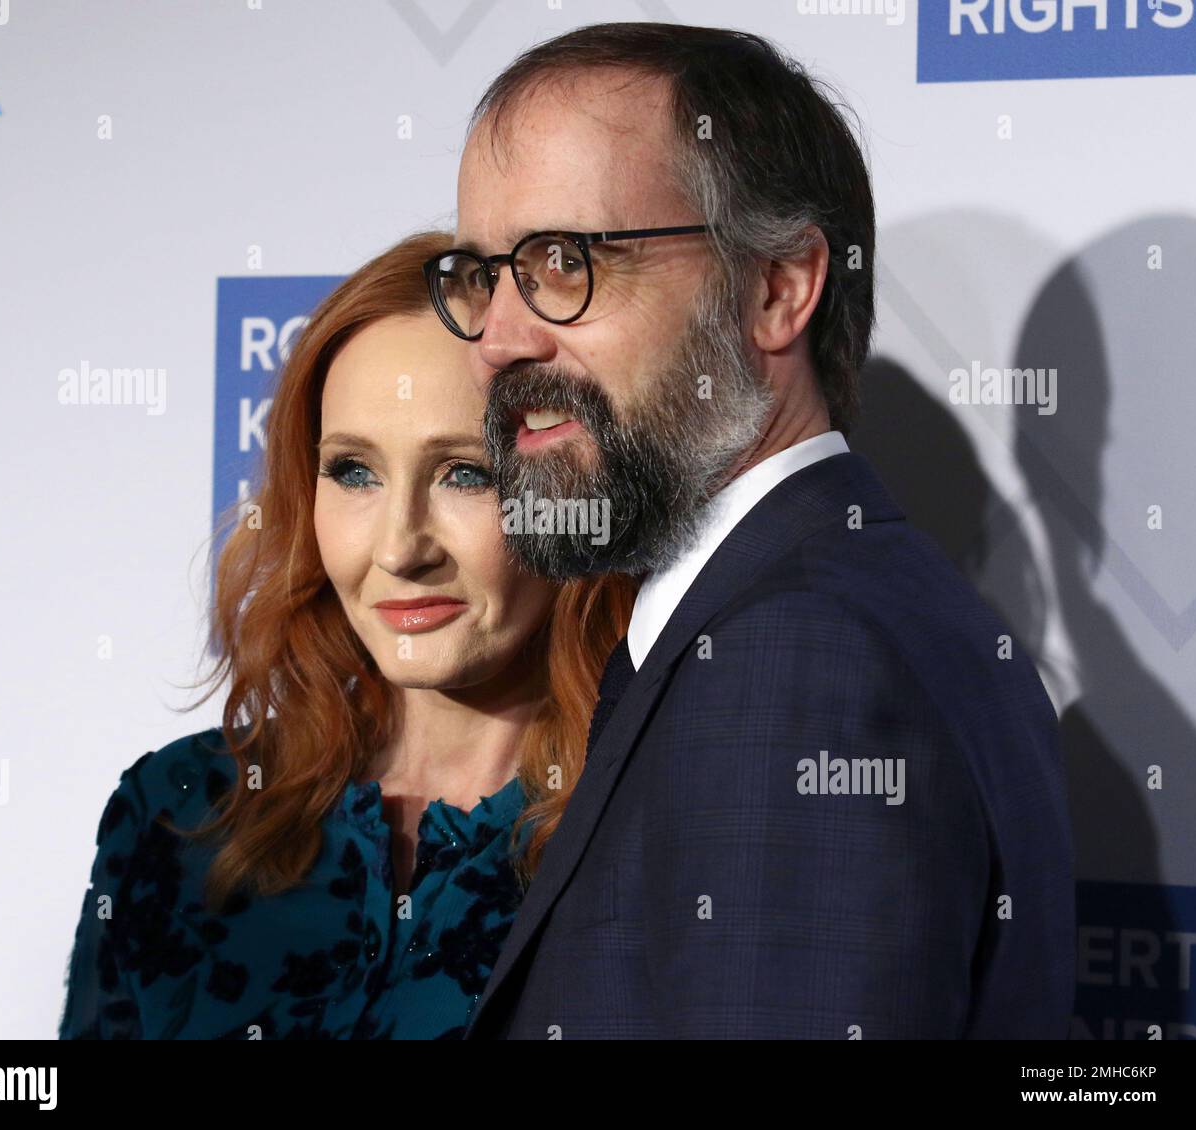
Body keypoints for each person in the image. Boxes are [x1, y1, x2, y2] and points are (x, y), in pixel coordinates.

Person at [424, 23, 1076, 1039]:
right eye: (479, 274)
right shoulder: (834, 609)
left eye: (562, 261)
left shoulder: (799, 661)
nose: (499, 341)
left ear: (777, 288)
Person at [56, 231, 634, 1039]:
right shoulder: (177, 816)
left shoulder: (658, 838)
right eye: (354, 471)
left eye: (467, 472)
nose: (400, 548)